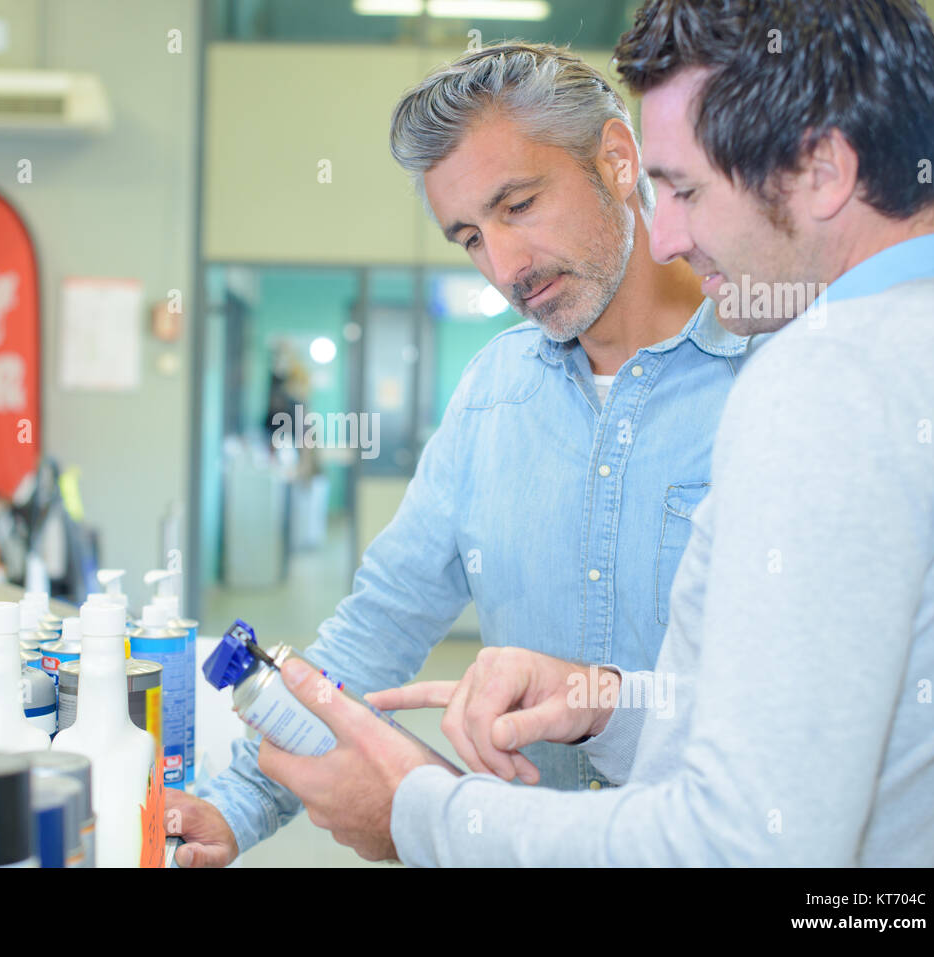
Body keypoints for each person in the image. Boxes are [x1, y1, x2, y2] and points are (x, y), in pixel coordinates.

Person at [255, 0, 934, 866]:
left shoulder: (822, 383)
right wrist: (608, 704)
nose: (665, 233)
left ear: (823, 171)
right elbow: (816, 744)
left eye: (686, 188)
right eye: (471, 237)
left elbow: (743, 843)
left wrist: (422, 812)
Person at [172, 42, 764, 866]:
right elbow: (380, 622)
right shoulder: (493, 393)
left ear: (618, 159)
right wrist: (233, 806)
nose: (505, 268)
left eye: (518, 204)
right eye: (469, 237)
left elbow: (805, 714)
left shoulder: (774, 377)